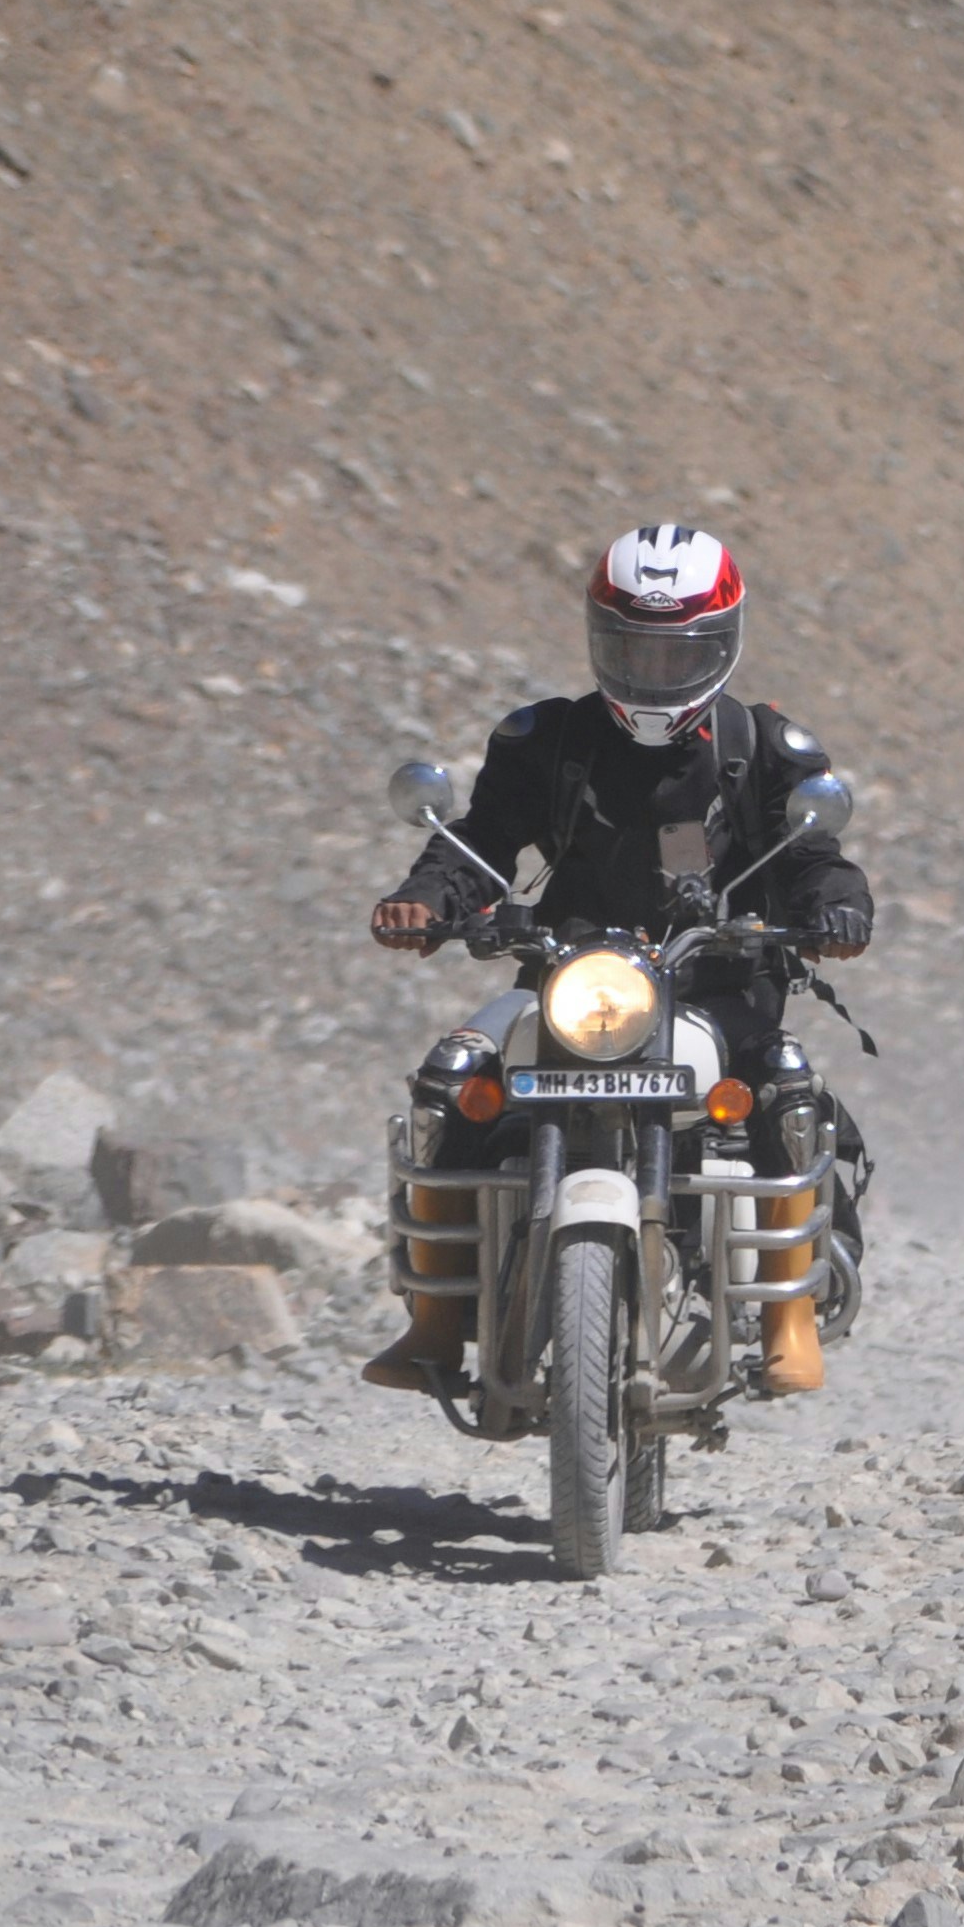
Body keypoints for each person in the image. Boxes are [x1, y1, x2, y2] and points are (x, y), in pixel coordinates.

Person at [364, 523, 873, 1391]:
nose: (657, 672)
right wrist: (429, 899)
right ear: (600, 637)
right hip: (569, 978)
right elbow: (480, 843)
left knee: (785, 1084)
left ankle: (790, 1322)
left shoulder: (763, 750)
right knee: (452, 1077)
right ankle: (436, 1321)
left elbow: (811, 857)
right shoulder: (547, 743)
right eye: (635, 648)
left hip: (715, 981)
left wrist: (836, 907)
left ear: (723, 642)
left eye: (680, 653)